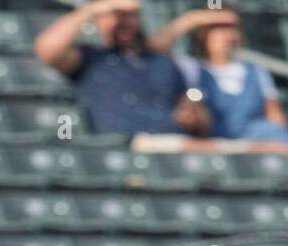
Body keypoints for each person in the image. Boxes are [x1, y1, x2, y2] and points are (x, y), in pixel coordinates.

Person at [34, 0, 211, 141]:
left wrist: (194, 117)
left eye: (130, 16)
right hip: (125, 148)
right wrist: (95, 8)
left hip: (177, 145)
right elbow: (48, 49)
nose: (123, 22)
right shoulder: (92, 59)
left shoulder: (161, 61)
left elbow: (198, 115)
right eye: (116, 15)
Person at [149, 6, 288, 154]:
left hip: (256, 146)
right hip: (212, 146)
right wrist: (194, 19)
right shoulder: (191, 69)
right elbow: (155, 48)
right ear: (203, 34)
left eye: (231, 29)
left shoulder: (256, 71)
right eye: (218, 29)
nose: (226, 35)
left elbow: (275, 116)